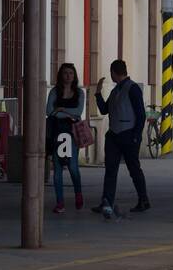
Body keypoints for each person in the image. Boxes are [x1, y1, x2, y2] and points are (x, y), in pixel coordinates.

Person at [93, 59, 150, 217]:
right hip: (114, 135)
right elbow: (105, 110)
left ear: (113, 73)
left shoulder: (132, 89)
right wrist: (98, 94)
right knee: (111, 170)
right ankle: (106, 201)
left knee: (133, 169)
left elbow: (141, 114)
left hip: (128, 134)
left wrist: (136, 136)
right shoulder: (116, 90)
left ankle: (144, 200)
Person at [46, 62, 86, 213]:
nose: (68, 76)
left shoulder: (79, 93)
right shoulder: (55, 92)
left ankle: (78, 193)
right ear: (60, 75)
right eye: (65, 73)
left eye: (71, 73)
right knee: (57, 168)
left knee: (73, 167)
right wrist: (68, 114)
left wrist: (61, 110)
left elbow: (78, 111)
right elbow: (49, 111)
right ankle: (60, 203)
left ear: (74, 75)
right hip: (56, 133)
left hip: (72, 134)